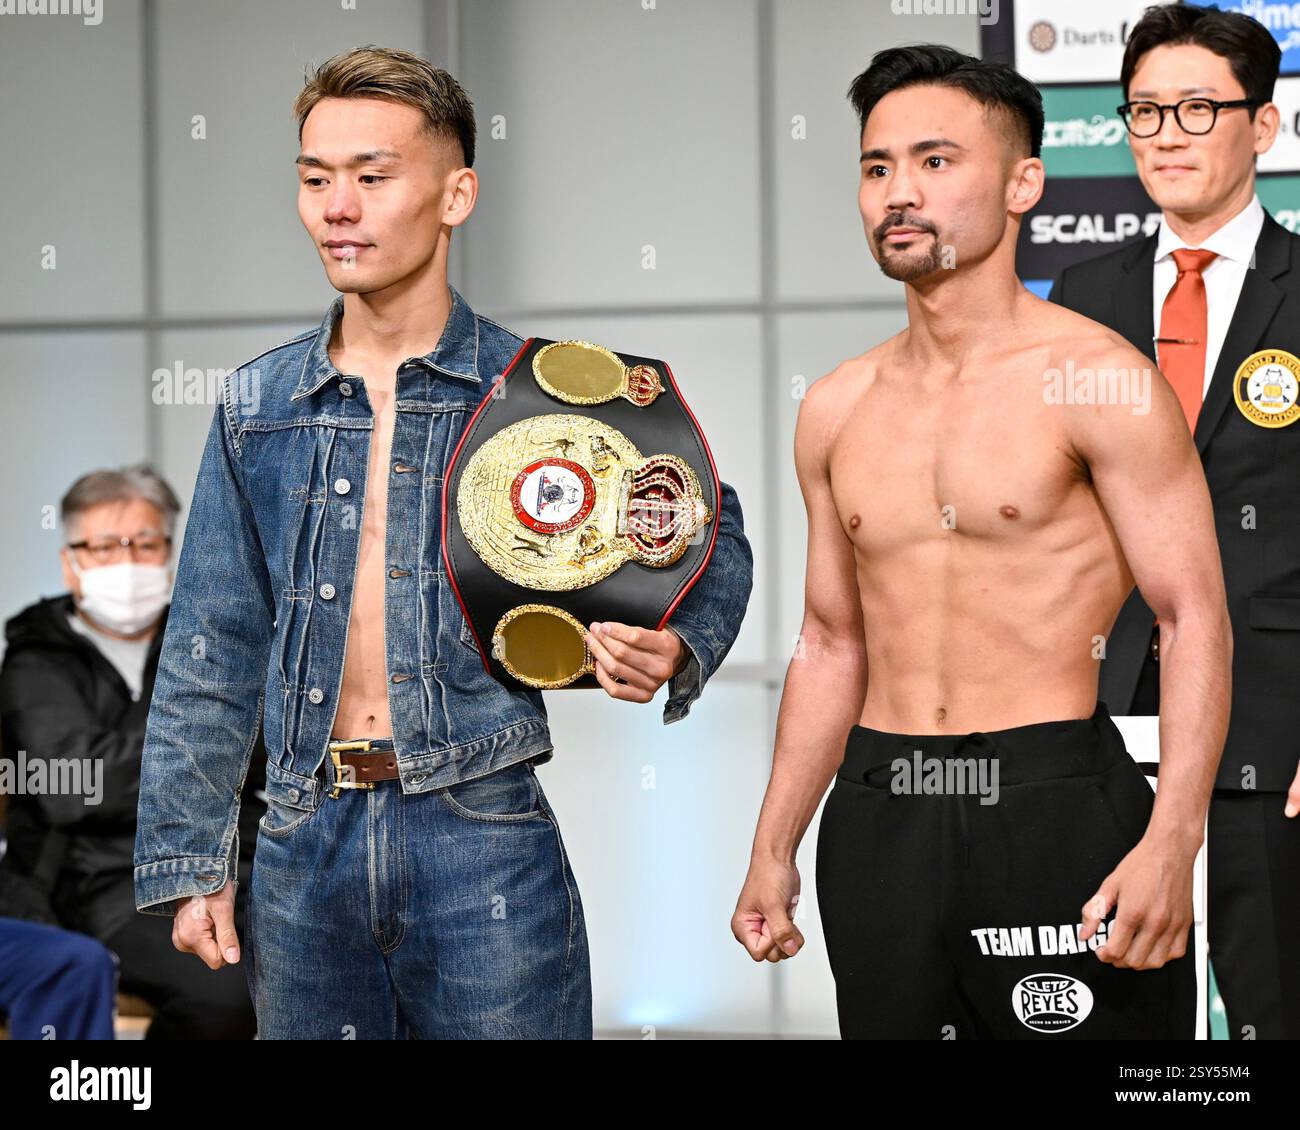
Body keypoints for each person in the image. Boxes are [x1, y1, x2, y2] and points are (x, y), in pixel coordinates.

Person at [133, 46, 753, 1040]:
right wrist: (190, 855)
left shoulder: (540, 387)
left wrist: (677, 643)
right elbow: (214, 638)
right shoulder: (259, 405)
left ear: (455, 192)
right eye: (315, 178)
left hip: (478, 823)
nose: (339, 206)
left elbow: (709, 533)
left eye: (372, 177)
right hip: (302, 835)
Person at [730, 44, 1230, 1039]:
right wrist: (773, 841)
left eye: (934, 161)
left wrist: (1174, 838)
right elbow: (832, 642)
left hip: (1052, 797)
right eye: (876, 168)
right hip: (881, 807)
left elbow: (1193, 616)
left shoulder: (1101, 382)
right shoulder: (834, 406)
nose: (897, 194)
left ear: (1022, 184)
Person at [1050, 2, 1300, 1039]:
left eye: (1197, 108)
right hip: (1100, 712)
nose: (1165, 136)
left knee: (1269, 1006)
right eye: (1144, 112)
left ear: (1264, 127)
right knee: (1109, 1014)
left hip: (1273, 725)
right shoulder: (1076, 296)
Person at [0, 466, 261, 1038]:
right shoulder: (36, 657)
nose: (128, 560)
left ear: (170, 552)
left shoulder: (208, 640)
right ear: (71, 561)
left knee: (330, 957)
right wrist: (204, 743)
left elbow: (259, 753)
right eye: (105, 546)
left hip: (228, 868)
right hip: (94, 884)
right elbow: (71, 789)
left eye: (144, 543)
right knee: (229, 991)